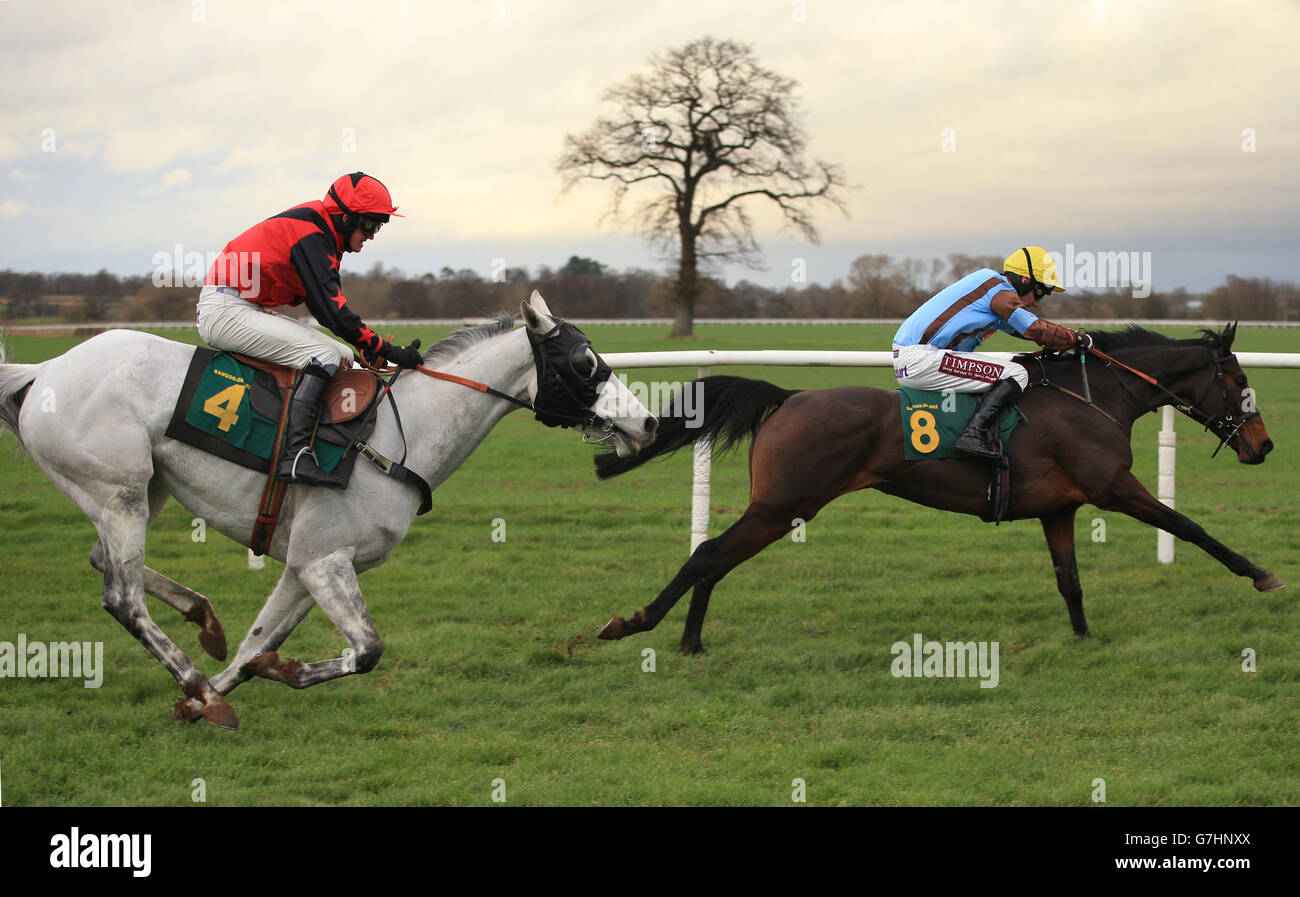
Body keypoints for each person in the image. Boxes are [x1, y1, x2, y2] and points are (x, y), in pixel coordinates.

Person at [198, 172, 424, 486]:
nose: (372, 234)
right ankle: (295, 455)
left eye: (379, 226)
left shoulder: (320, 231)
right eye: (370, 224)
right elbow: (335, 313)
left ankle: (322, 442)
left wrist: (362, 347)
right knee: (323, 355)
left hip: (242, 306)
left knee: (342, 354)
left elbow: (323, 309)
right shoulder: (313, 234)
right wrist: (388, 351)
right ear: (345, 217)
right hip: (225, 310)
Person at [892, 246, 1091, 460]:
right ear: (1025, 280)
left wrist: (1064, 340)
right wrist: (1074, 338)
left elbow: (1026, 331)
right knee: (1017, 374)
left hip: (916, 359)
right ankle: (973, 434)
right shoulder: (998, 289)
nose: (1037, 301)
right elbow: (1033, 328)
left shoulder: (992, 293)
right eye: (1041, 291)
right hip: (923, 359)